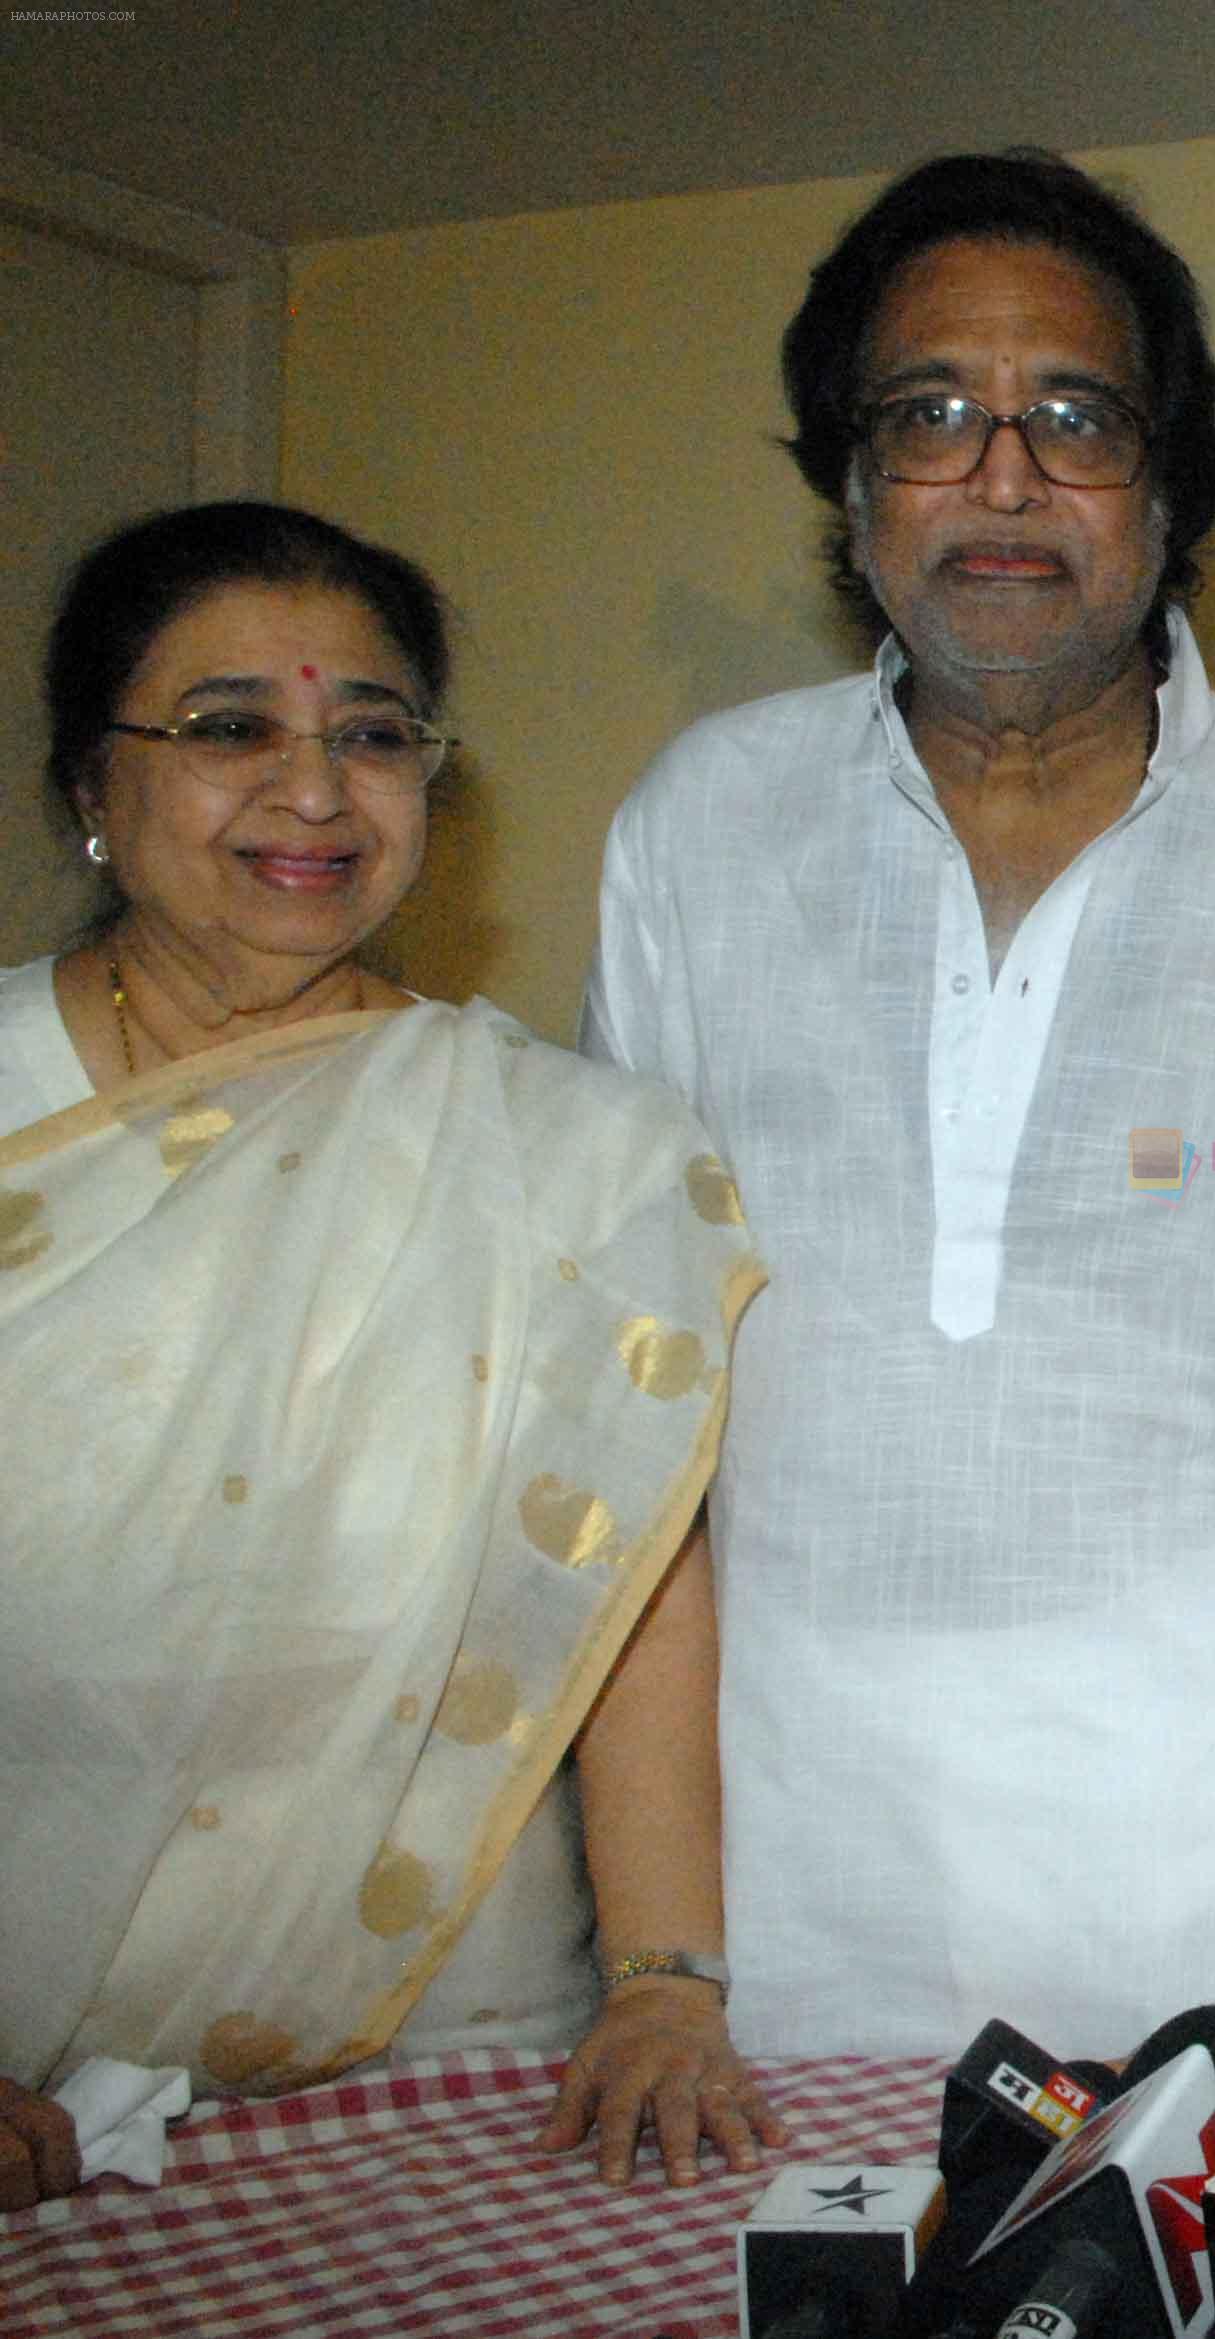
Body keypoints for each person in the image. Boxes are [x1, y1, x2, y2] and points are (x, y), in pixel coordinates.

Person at [583, 150, 1215, 2056]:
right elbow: (636, 1336)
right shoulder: (701, 829)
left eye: (1074, 419)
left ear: (1169, 492)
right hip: (782, 1885)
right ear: (848, 490)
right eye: (930, 414)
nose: (1002, 476)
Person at [0, 501, 786, 2209]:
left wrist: (667, 1987)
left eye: (373, 735)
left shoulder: (575, 1155)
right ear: (88, 781)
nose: (312, 790)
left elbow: (636, 1596)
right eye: (228, 732)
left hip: (453, 2038)